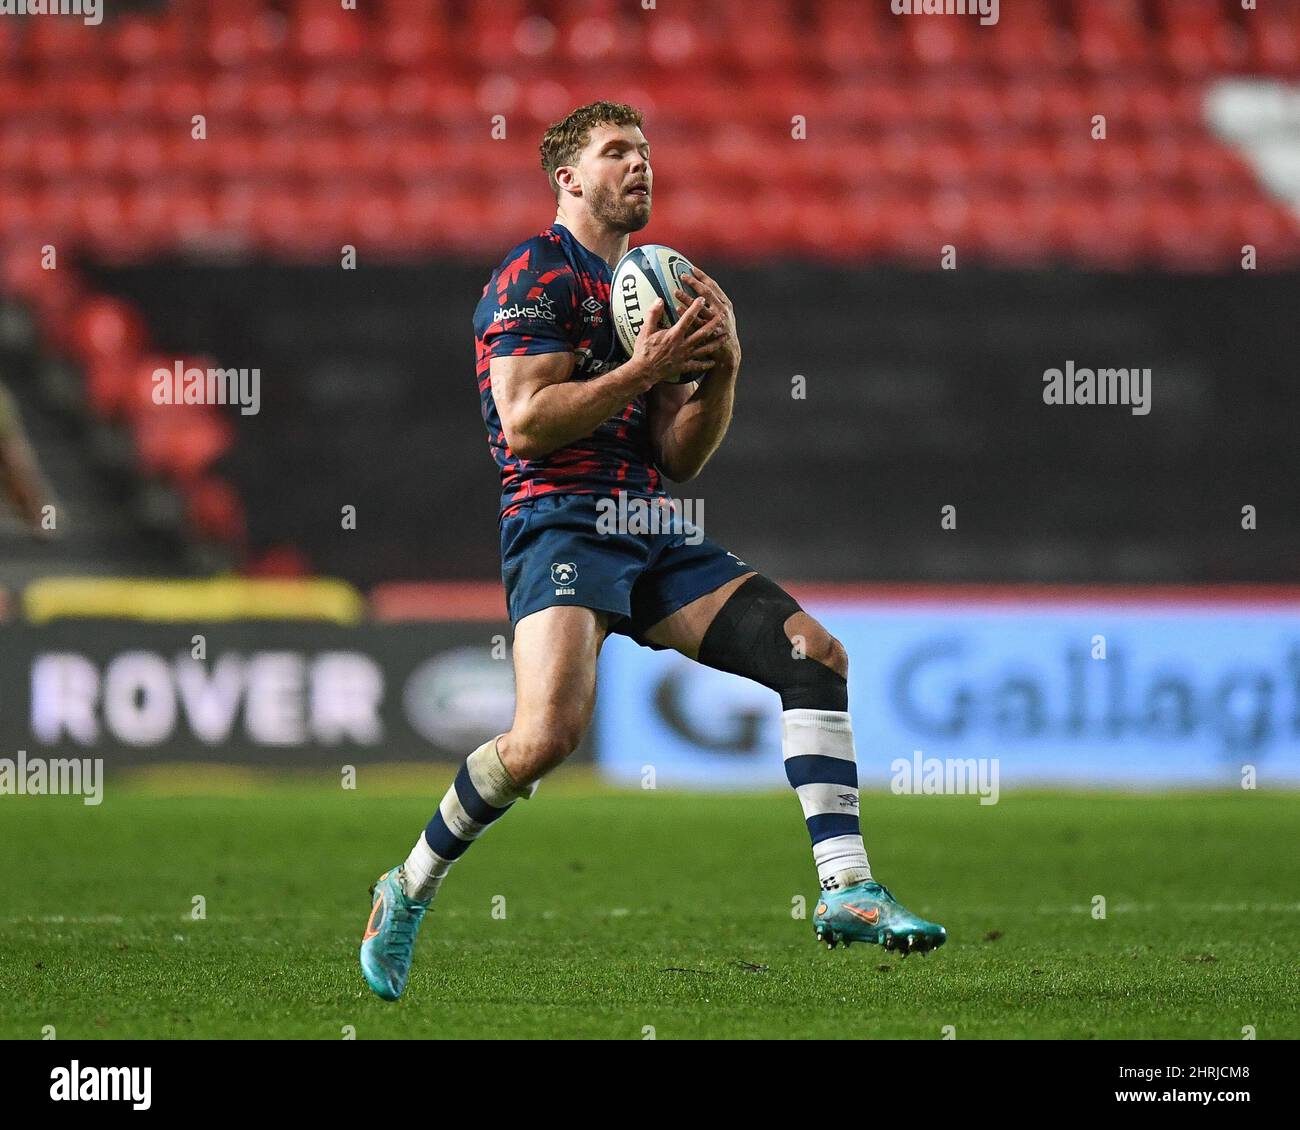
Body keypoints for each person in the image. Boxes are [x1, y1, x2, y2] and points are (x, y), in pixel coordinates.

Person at [361, 101, 945, 1002]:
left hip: (651, 527)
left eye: (645, 151)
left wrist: (724, 369)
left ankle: (847, 891)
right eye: (616, 152)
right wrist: (641, 368)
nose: (640, 166)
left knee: (814, 653)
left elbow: (678, 455)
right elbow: (524, 423)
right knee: (546, 736)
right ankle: (406, 888)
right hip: (559, 523)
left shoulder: (657, 283)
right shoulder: (535, 273)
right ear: (569, 176)